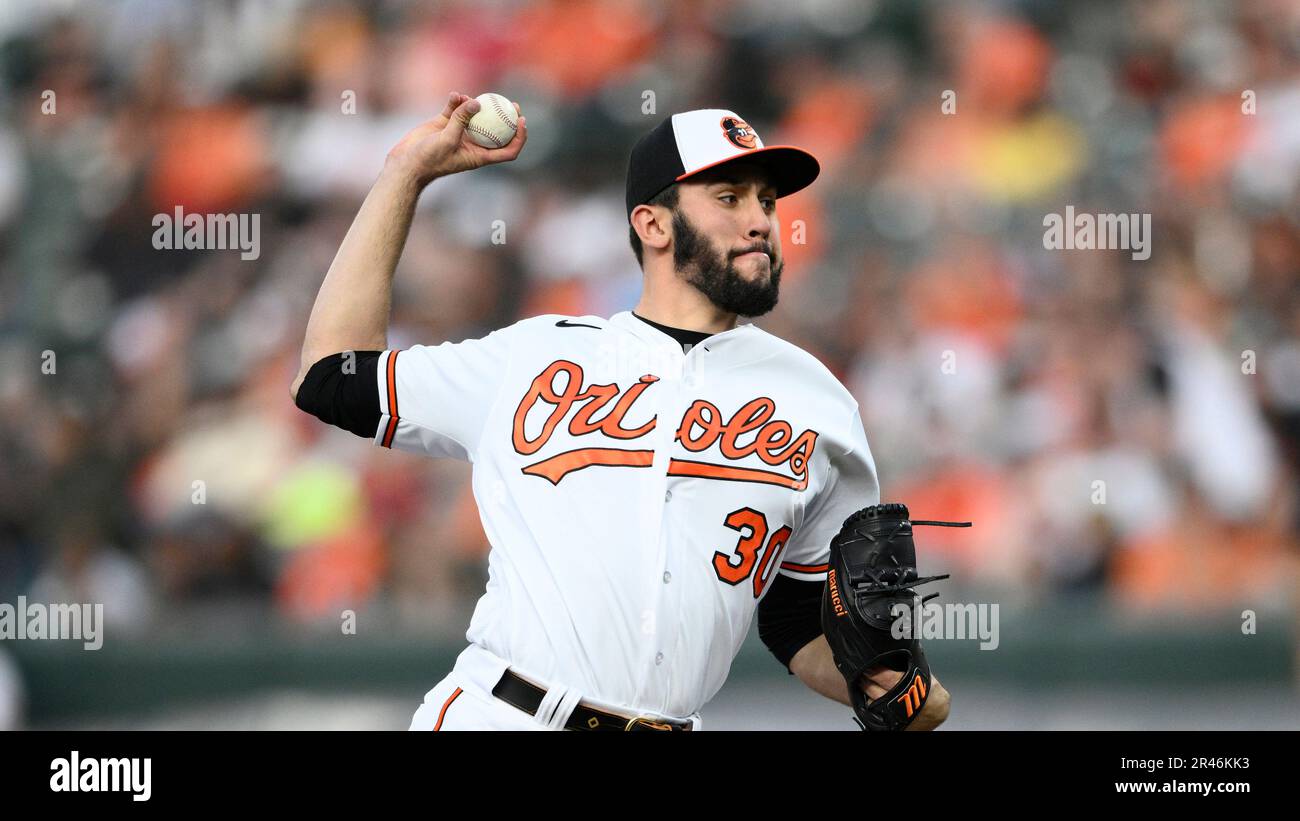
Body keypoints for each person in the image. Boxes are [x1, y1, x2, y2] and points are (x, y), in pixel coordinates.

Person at [291, 93, 950, 731]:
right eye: (729, 197)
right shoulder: (535, 355)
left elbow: (795, 618)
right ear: (653, 223)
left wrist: (882, 686)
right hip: (505, 712)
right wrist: (403, 174)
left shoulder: (819, 401)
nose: (760, 220)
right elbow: (330, 375)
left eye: (767, 201)